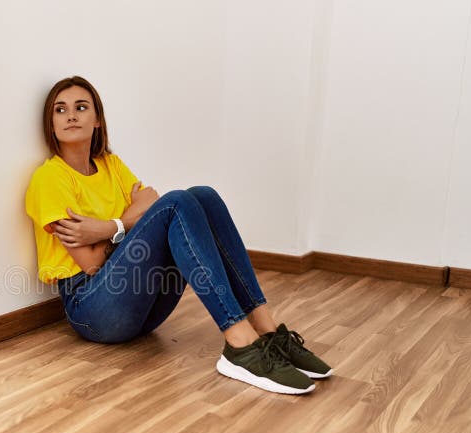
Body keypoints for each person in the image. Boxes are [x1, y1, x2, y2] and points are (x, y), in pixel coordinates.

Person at [25, 76, 332, 395]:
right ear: (51, 123)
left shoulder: (111, 165)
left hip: (141, 308)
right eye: (60, 110)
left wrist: (110, 228)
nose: (71, 115)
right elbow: (90, 265)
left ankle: (268, 332)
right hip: (93, 309)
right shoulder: (50, 179)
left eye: (81, 107)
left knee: (203, 196)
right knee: (178, 202)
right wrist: (132, 220)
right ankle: (239, 343)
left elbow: (150, 203)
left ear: (97, 120)